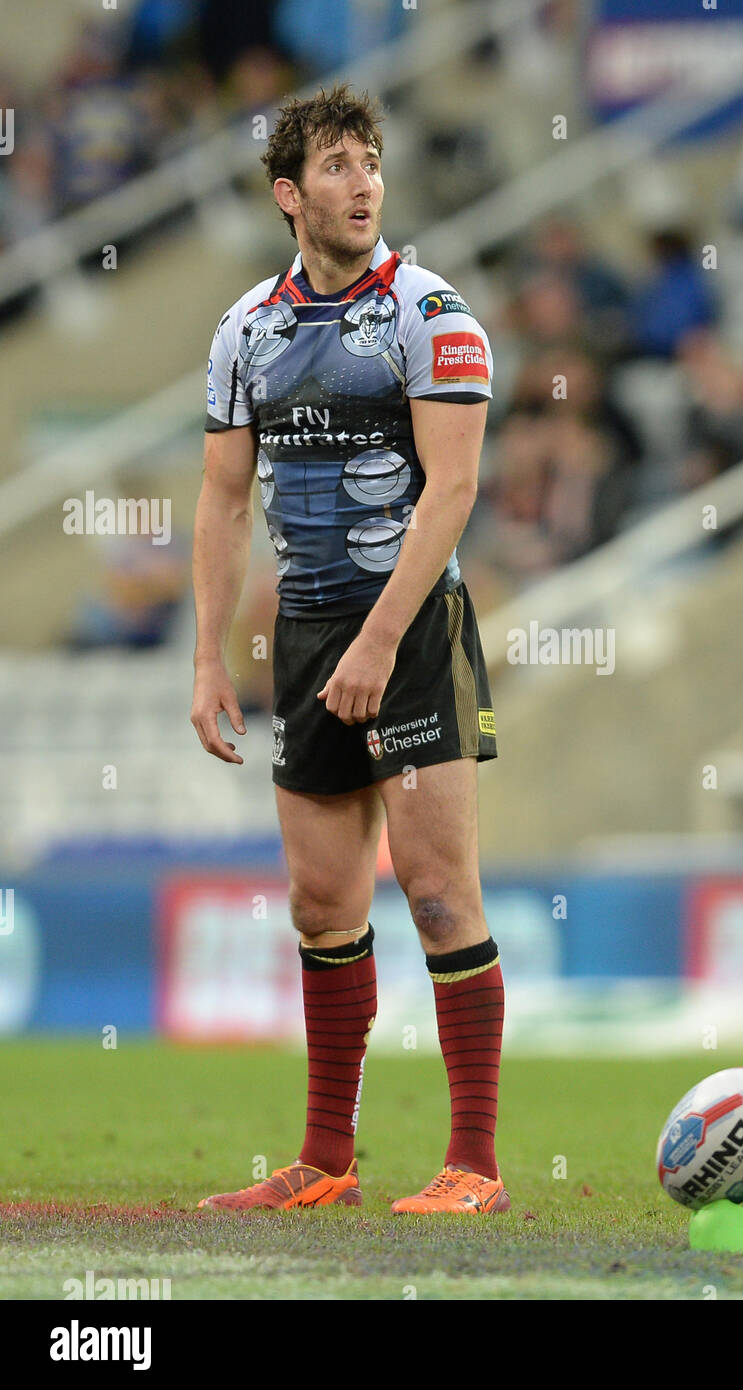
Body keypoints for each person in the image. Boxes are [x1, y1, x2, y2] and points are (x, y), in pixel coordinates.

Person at [190, 84, 508, 1215]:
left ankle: (475, 1163)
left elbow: (454, 488)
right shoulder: (248, 333)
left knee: (433, 892)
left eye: (369, 162)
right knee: (323, 903)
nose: (363, 181)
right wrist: (207, 658)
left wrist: (378, 641)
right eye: (335, 166)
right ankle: (327, 1160)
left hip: (410, 630)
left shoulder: (431, 313)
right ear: (290, 195)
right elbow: (224, 502)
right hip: (312, 634)